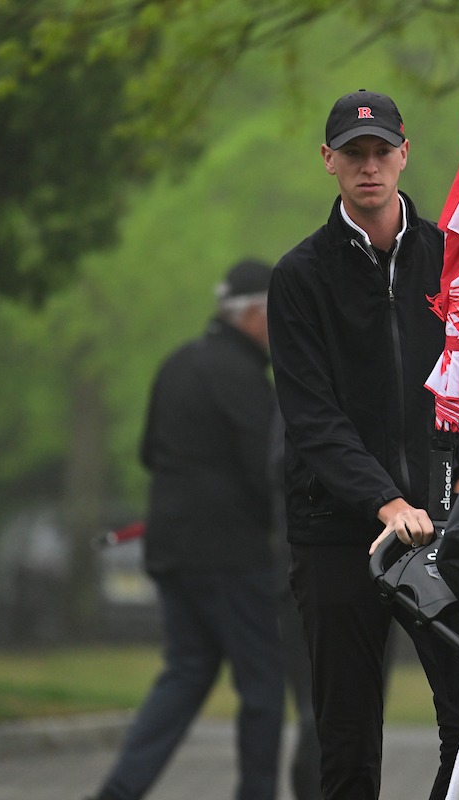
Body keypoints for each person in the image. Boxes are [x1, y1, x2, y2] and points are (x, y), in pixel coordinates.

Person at [267, 89, 459, 800]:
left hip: (447, 532)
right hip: (339, 535)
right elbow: (312, 418)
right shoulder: (299, 278)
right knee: (348, 739)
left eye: (382, 151)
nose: (369, 166)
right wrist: (384, 500)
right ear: (328, 161)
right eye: (353, 154)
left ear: (405, 154)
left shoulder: (456, 260)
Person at [88, 259, 284, 800]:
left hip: (170, 550)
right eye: (277, 315)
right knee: (263, 686)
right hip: (230, 557)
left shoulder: (177, 364)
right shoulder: (247, 381)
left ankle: (119, 791)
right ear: (251, 315)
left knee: (187, 671)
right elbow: (265, 474)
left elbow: (151, 452)